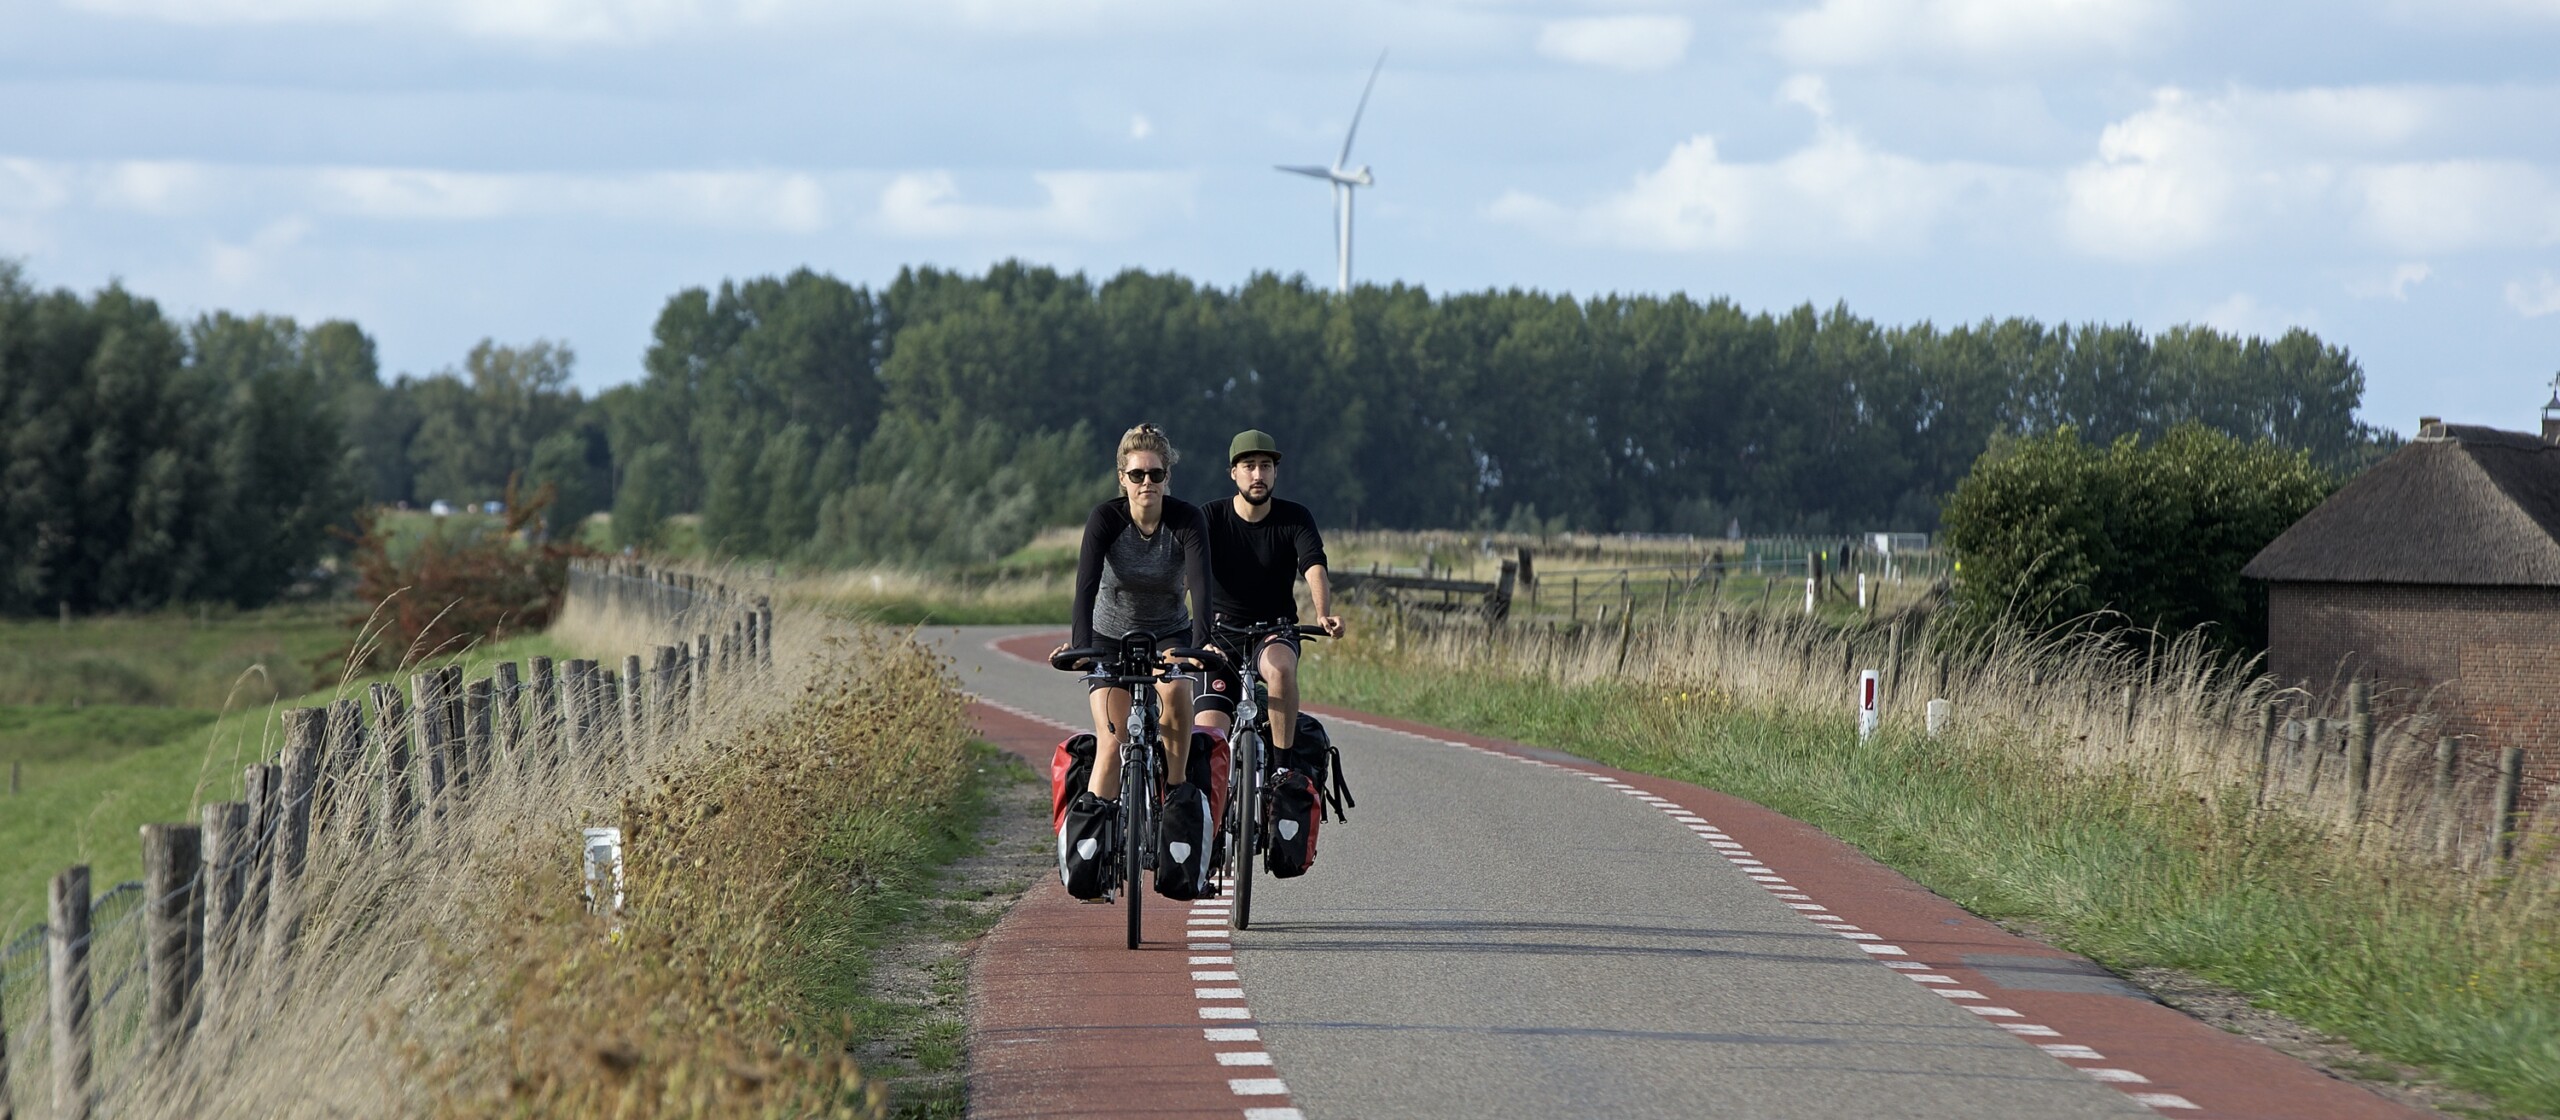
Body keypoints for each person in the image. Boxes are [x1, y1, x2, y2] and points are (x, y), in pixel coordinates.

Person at [1053, 422, 1214, 806]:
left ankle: (1174, 793)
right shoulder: (1105, 519)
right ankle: (1097, 831)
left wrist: (1201, 644)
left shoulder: (1187, 520)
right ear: (1122, 478)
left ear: (1167, 477)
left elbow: (1201, 587)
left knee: (1176, 692)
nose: (1147, 483)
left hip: (1169, 632)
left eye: (1156, 474)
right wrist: (1080, 646)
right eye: (1137, 474)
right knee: (1113, 740)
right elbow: (1085, 587)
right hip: (1110, 636)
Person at [1194, 429, 1343, 759]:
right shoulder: (1210, 517)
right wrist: (1188, 630)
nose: (1258, 475)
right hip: (1220, 635)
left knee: (1280, 668)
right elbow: (1186, 573)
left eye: (1266, 466)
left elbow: (1313, 565)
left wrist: (1323, 612)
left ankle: (1281, 769)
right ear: (1234, 472)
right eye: (1249, 466)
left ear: (1276, 472)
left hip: (1275, 629)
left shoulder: (1296, 517)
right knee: (1208, 741)